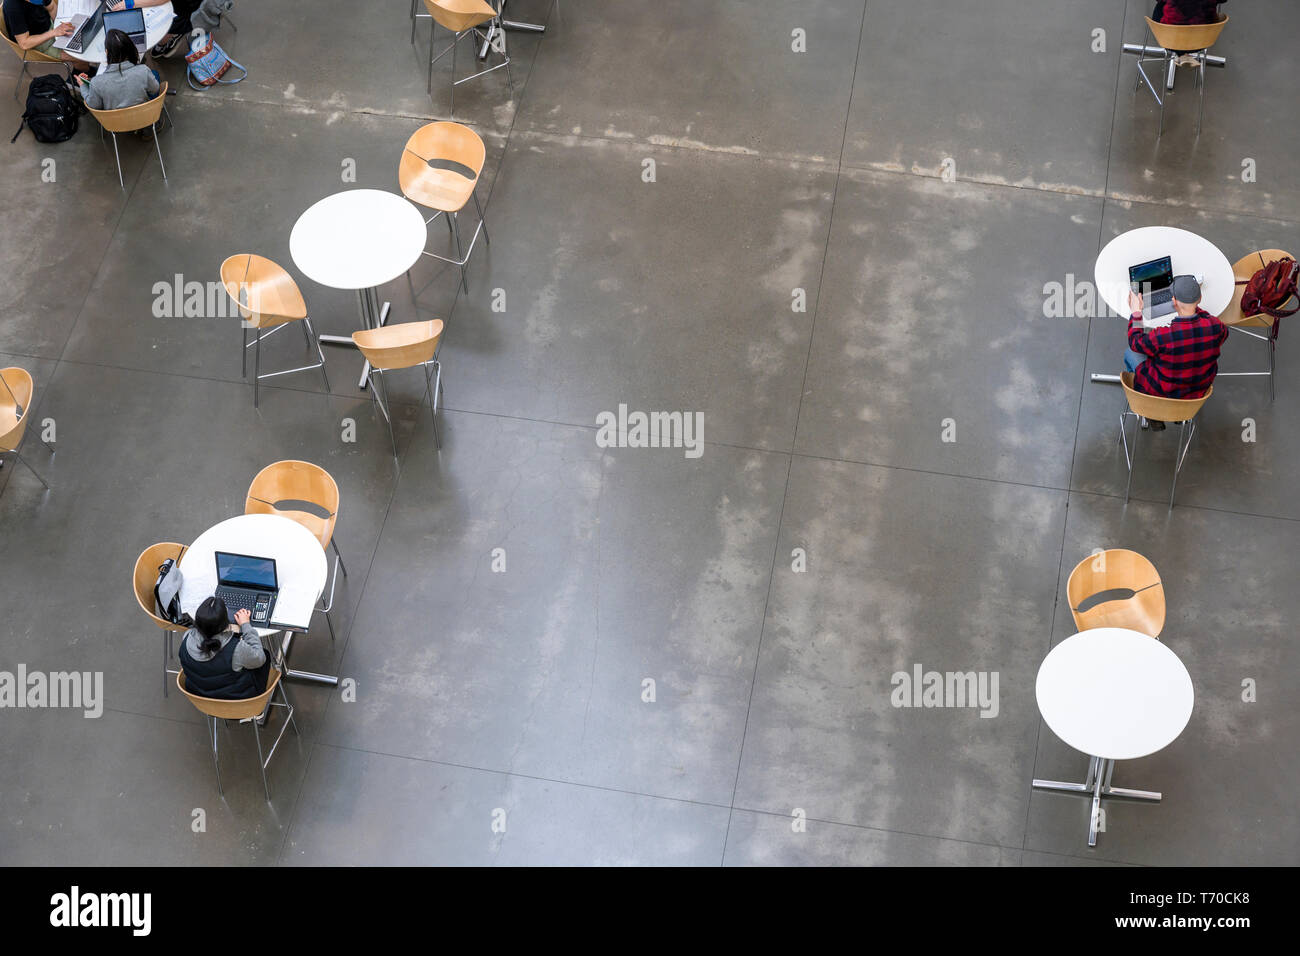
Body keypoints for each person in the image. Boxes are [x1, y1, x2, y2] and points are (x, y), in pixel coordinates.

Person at [1125, 275, 1228, 429]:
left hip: (1159, 394)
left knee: (1130, 353)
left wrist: (1136, 312)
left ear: (1173, 302)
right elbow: (1223, 333)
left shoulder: (1163, 336)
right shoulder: (1215, 326)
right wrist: (1192, 306)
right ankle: (1178, 415)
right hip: (1193, 397)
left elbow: (1135, 341)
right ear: (1199, 299)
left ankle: (1153, 413)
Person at [178, 596, 273, 702]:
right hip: (238, 700)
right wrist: (245, 625)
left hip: (200, 697)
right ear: (224, 624)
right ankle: (257, 713)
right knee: (265, 654)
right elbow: (260, 658)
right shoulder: (236, 649)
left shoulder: (186, 638)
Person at [75, 28, 158, 111]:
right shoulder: (143, 70)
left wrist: (83, 86)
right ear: (131, 48)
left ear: (107, 52)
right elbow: (155, 90)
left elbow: (94, 105)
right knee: (154, 74)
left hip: (115, 122)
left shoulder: (96, 82)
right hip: (145, 115)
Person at [3, 0, 95, 71]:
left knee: (85, 38)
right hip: (36, 44)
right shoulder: (13, 6)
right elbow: (24, 43)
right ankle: (83, 78)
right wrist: (54, 32)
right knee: (80, 56)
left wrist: (60, 25)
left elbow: (52, 8)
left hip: (49, 27)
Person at [1153, 1, 1227, 26]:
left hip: (1168, 35)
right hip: (1202, 38)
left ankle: (1182, 55)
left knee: (1161, 5)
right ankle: (1184, 56)